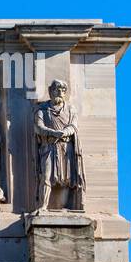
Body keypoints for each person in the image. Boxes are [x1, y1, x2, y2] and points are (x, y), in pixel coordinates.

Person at [35, 79, 85, 211]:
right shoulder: (43, 110)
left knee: (67, 179)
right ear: (50, 91)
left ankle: (66, 206)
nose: (60, 92)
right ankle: (43, 206)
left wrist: (64, 132)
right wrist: (53, 133)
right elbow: (39, 127)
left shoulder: (70, 109)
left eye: (63, 90)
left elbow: (73, 125)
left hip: (65, 146)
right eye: (57, 89)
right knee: (46, 176)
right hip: (49, 147)